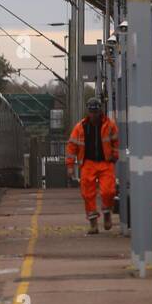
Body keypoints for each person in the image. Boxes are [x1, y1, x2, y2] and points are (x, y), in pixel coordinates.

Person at [65, 97, 120, 234]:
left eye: (95, 112)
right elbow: (71, 147)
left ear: (100, 111)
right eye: (91, 112)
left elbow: (116, 142)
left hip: (105, 162)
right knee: (87, 193)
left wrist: (115, 155)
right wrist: (70, 166)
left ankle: (107, 212)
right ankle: (93, 223)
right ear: (88, 112)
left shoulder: (109, 125)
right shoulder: (80, 127)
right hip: (88, 163)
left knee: (109, 191)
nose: (94, 115)